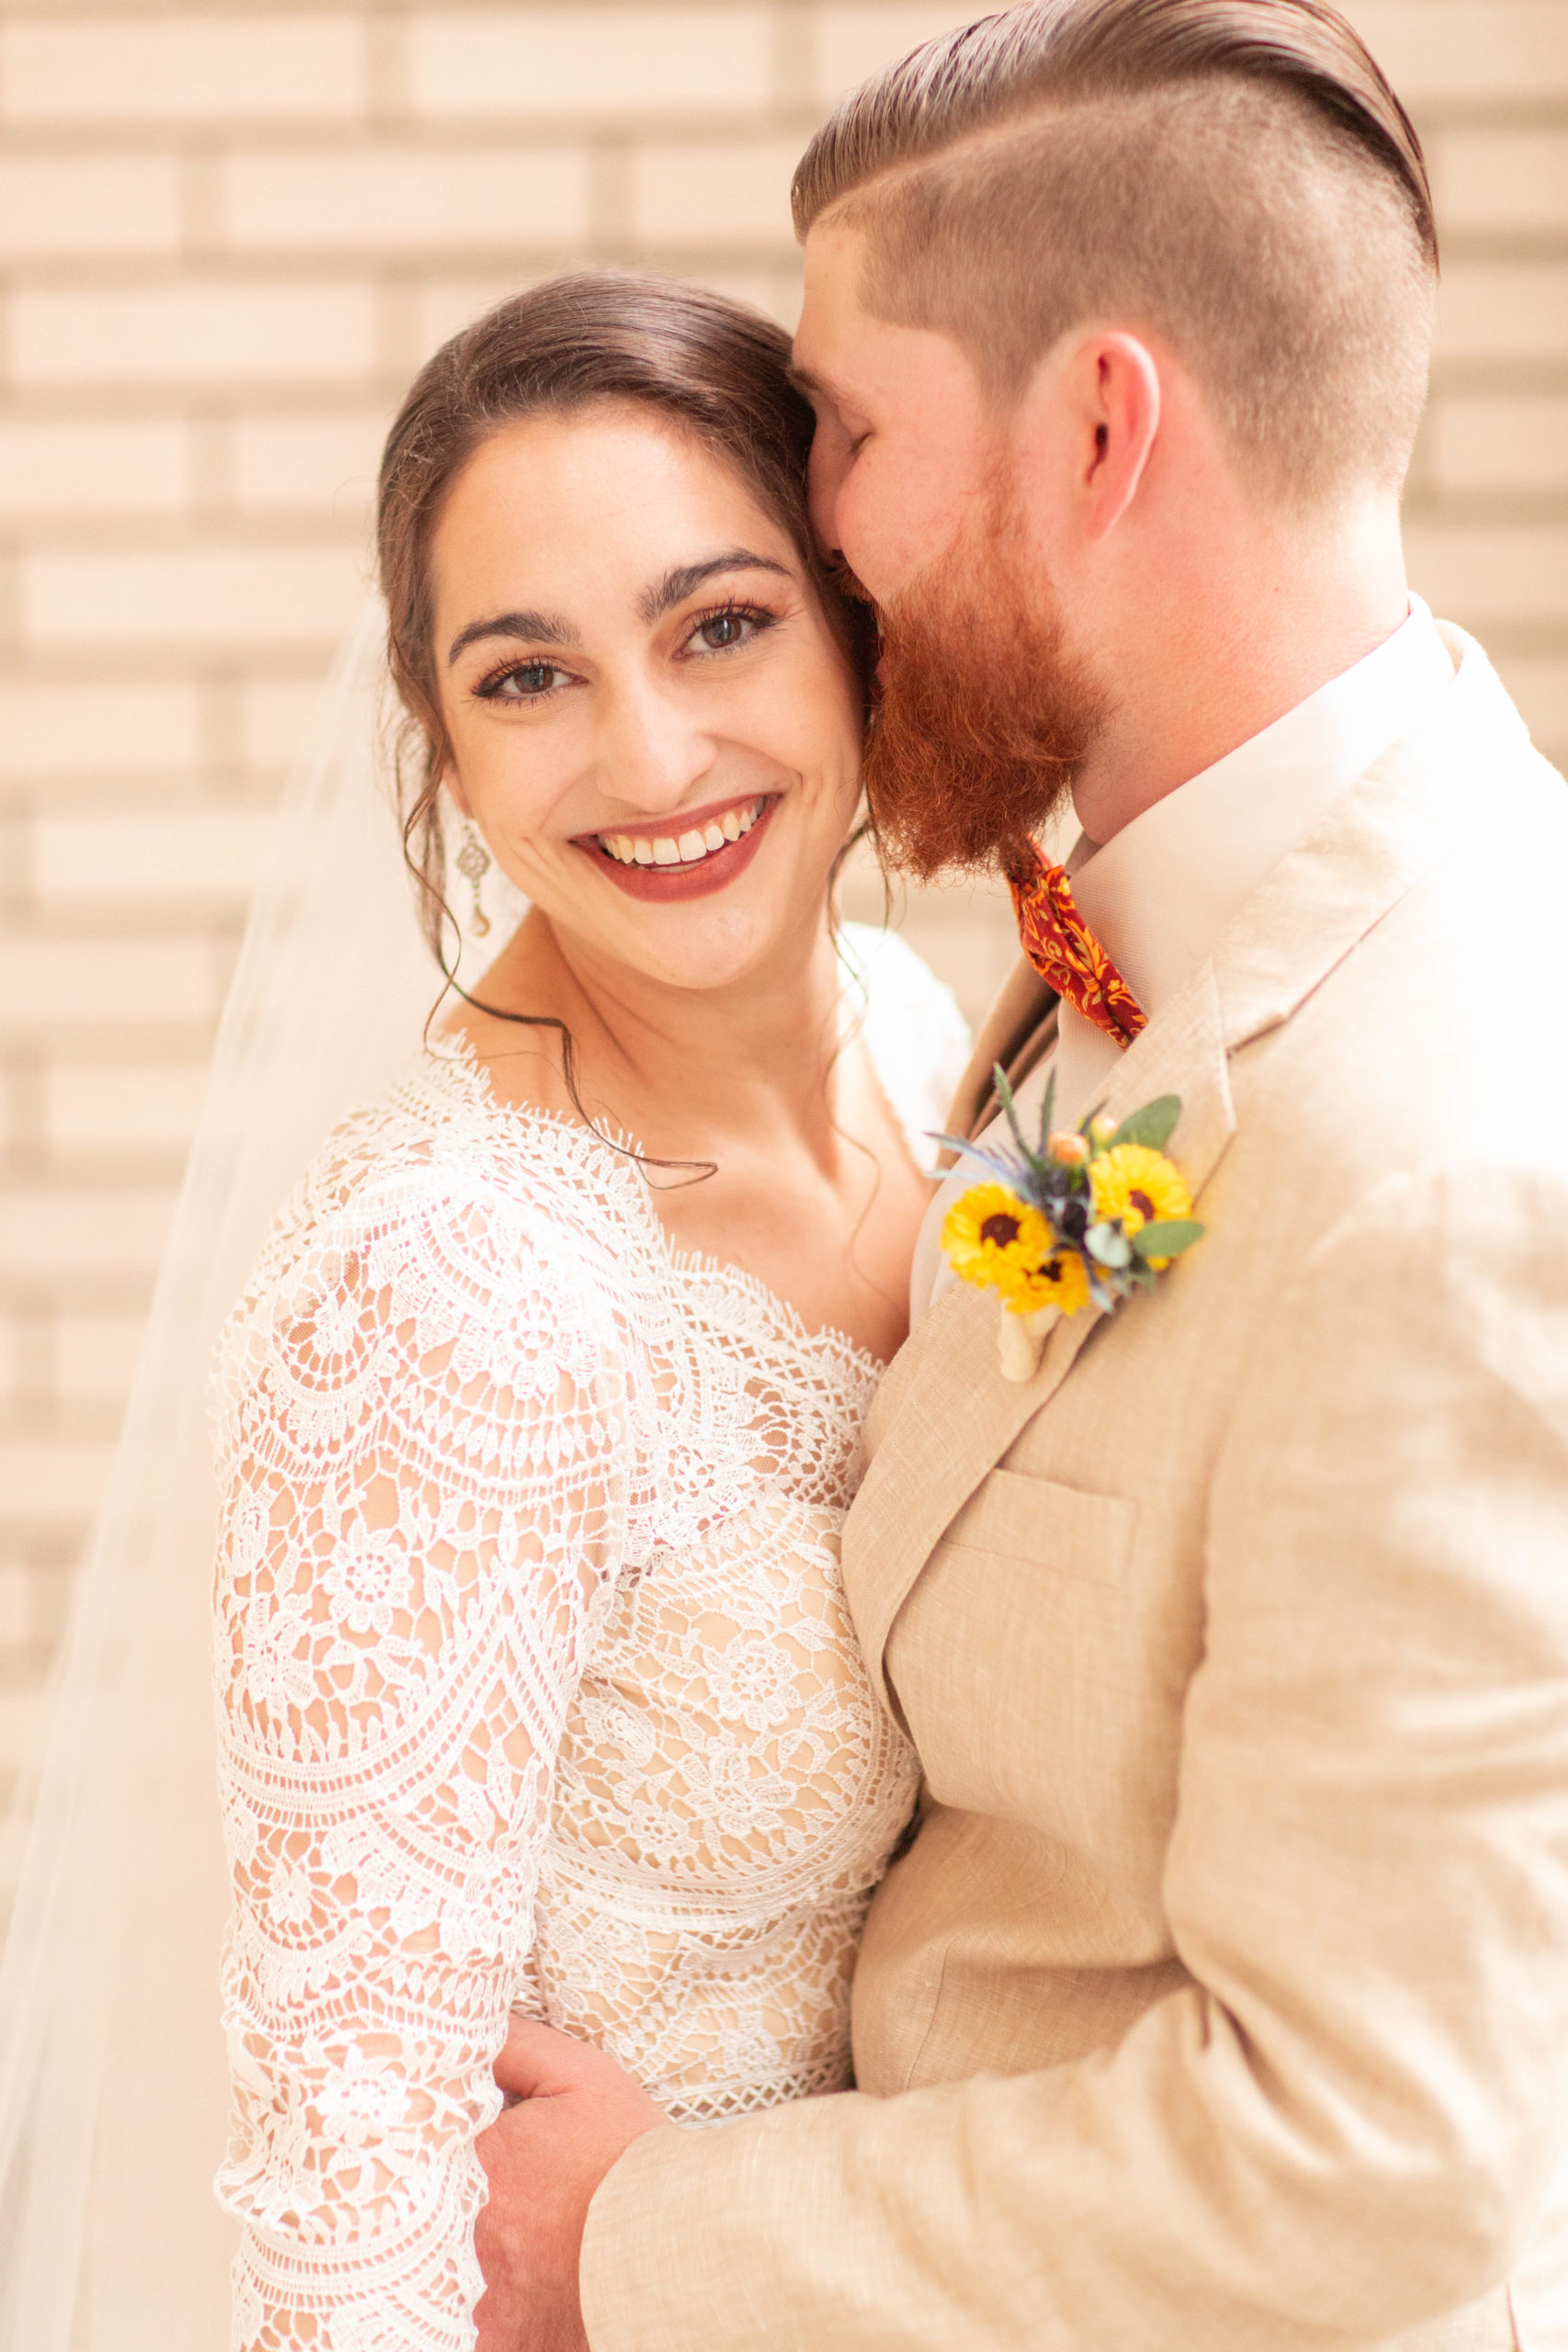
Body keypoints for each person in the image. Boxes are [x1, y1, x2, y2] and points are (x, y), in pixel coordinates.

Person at [475, 6, 1568, 2350]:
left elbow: (1359, 2155)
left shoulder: (1448, 1158)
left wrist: (636, 2242)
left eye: (847, 432)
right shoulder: (1148, 924)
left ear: (1097, 427)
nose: (819, 526)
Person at [206, 273, 970, 2346]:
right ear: (442, 743)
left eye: (718, 623)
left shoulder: (936, 1061)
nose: (651, 755)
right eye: (527, 675)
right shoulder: (448, 1290)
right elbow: (347, 2176)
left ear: (848, 623)